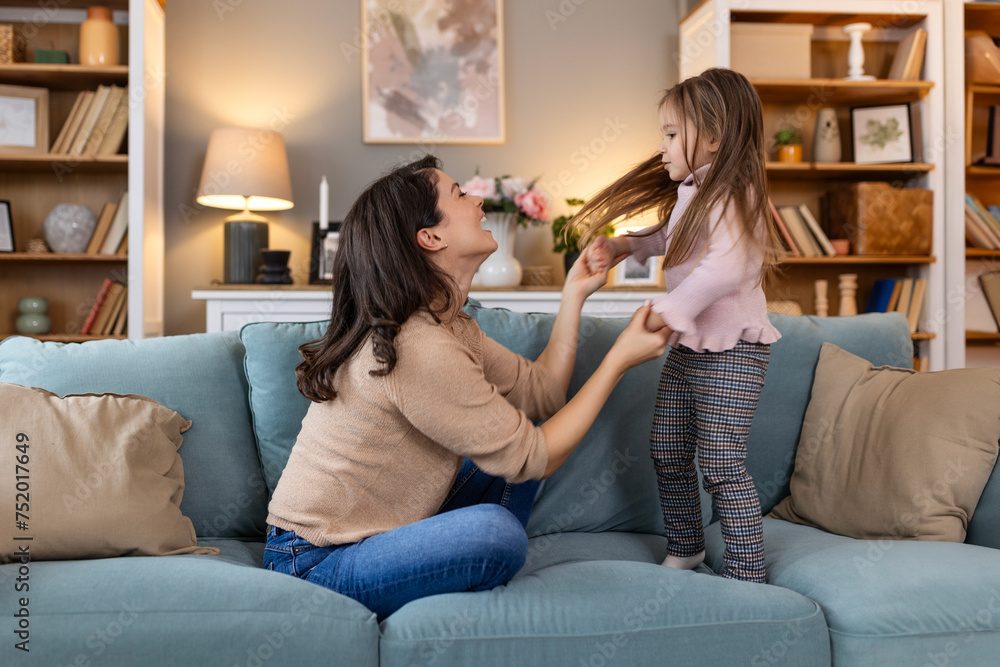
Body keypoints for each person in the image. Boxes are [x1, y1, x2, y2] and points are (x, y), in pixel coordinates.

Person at [264, 155, 670, 619]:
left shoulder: (451, 328)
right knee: (494, 534)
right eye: (459, 194)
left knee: (504, 454)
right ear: (430, 237)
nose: (477, 199)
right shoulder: (417, 347)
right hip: (314, 561)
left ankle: (437, 569)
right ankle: (448, 567)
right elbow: (536, 455)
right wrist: (618, 359)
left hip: (385, 536)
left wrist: (574, 294)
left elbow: (541, 393)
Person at [579, 67, 784, 583]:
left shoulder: (734, 193)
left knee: (720, 463)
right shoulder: (696, 191)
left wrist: (676, 309)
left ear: (714, 137)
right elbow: (671, 237)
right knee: (667, 448)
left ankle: (746, 573)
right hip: (692, 348)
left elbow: (729, 266)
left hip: (734, 349)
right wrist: (625, 243)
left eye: (672, 135)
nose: (663, 147)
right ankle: (687, 546)